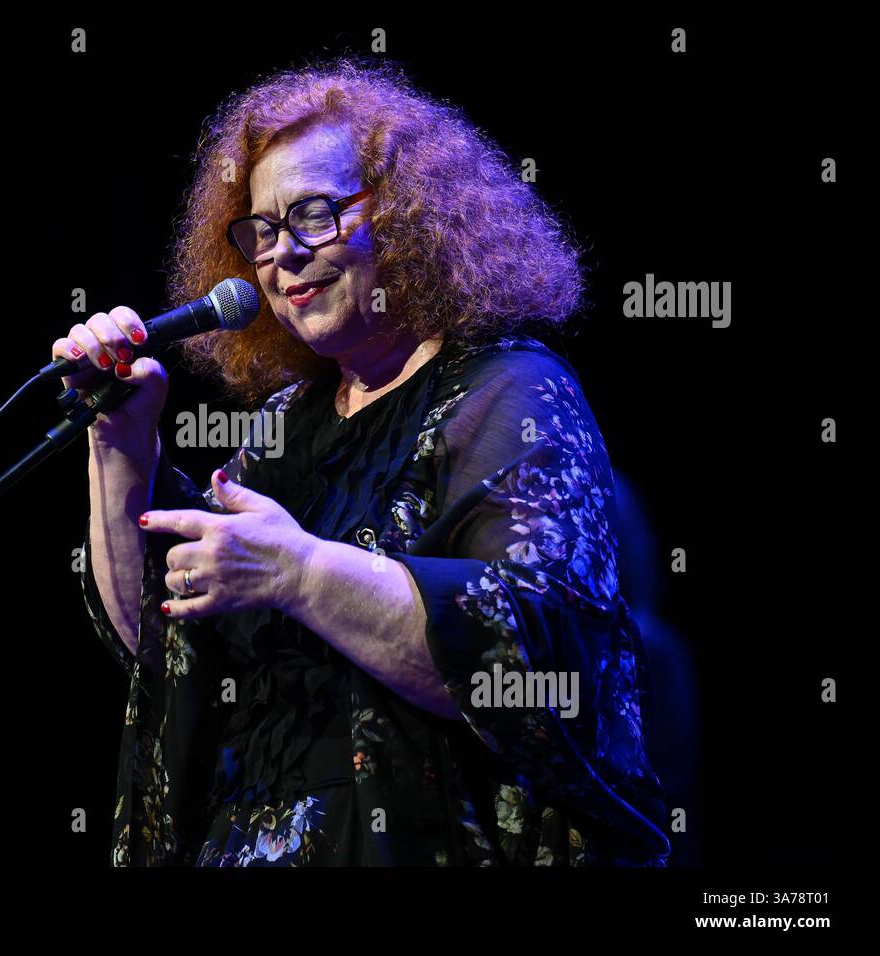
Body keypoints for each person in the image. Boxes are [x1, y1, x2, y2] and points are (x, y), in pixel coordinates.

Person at [65, 58, 671, 866]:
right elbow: (161, 647)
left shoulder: (509, 391)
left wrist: (303, 573)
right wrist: (119, 441)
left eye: (312, 214)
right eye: (261, 232)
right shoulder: (284, 427)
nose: (281, 255)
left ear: (411, 216)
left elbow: (535, 658)